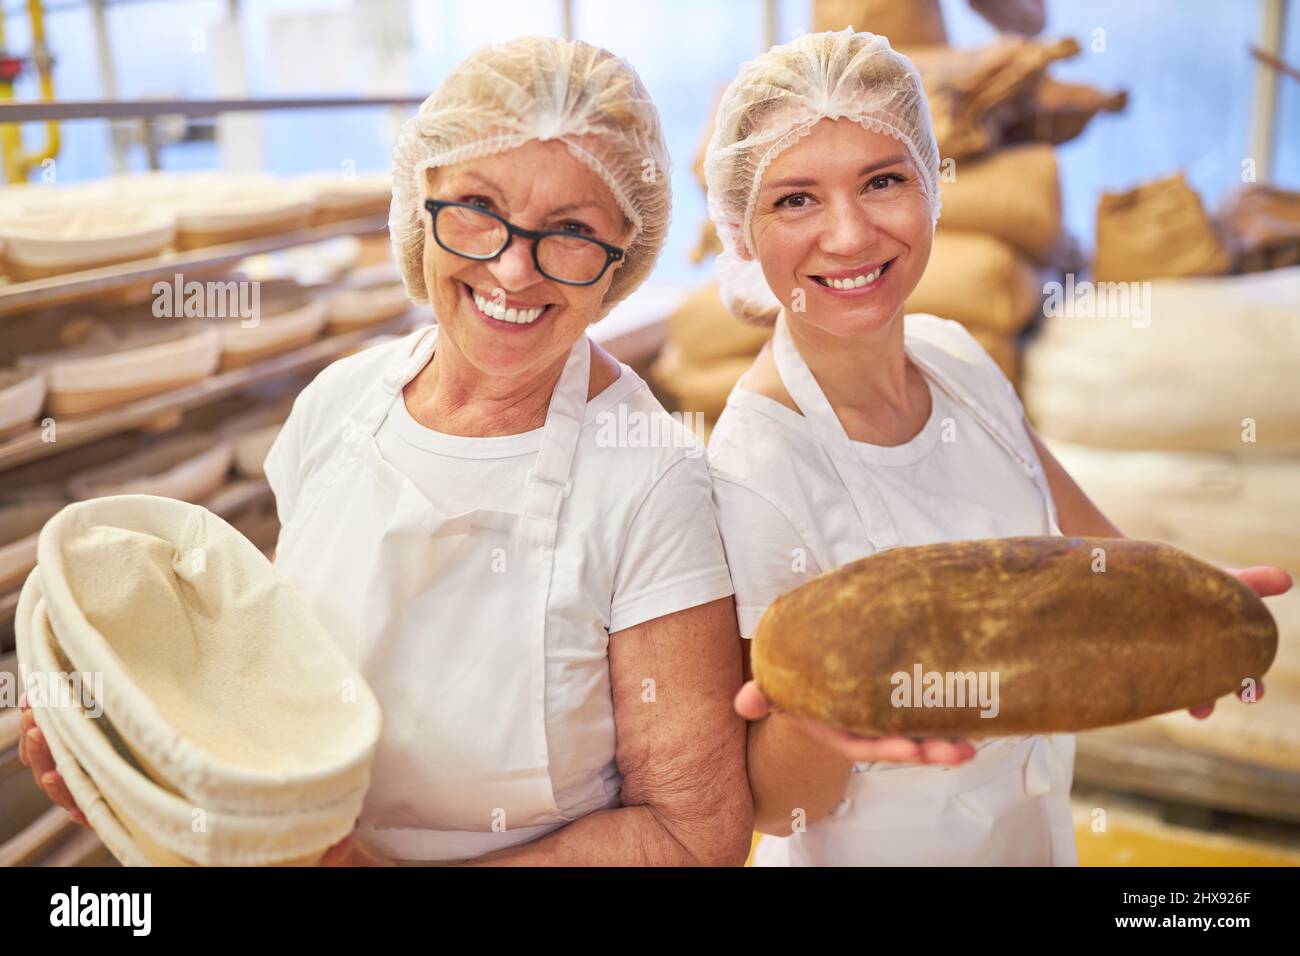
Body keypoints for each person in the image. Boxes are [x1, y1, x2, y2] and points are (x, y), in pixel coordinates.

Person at [20, 36, 751, 867]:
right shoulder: (339, 403)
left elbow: (693, 836)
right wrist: (138, 766)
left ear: (626, 249)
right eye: (478, 204)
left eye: (571, 229)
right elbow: (264, 674)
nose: (513, 270)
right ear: (423, 194)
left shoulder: (652, 481)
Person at [701, 28, 1291, 866]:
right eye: (795, 199)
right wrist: (818, 721)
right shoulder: (755, 465)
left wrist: (1188, 603)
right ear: (739, 228)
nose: (849, 235)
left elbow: (1084, 553)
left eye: (883, 181)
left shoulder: (954, 356)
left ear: (932, 189)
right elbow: (776, 806)